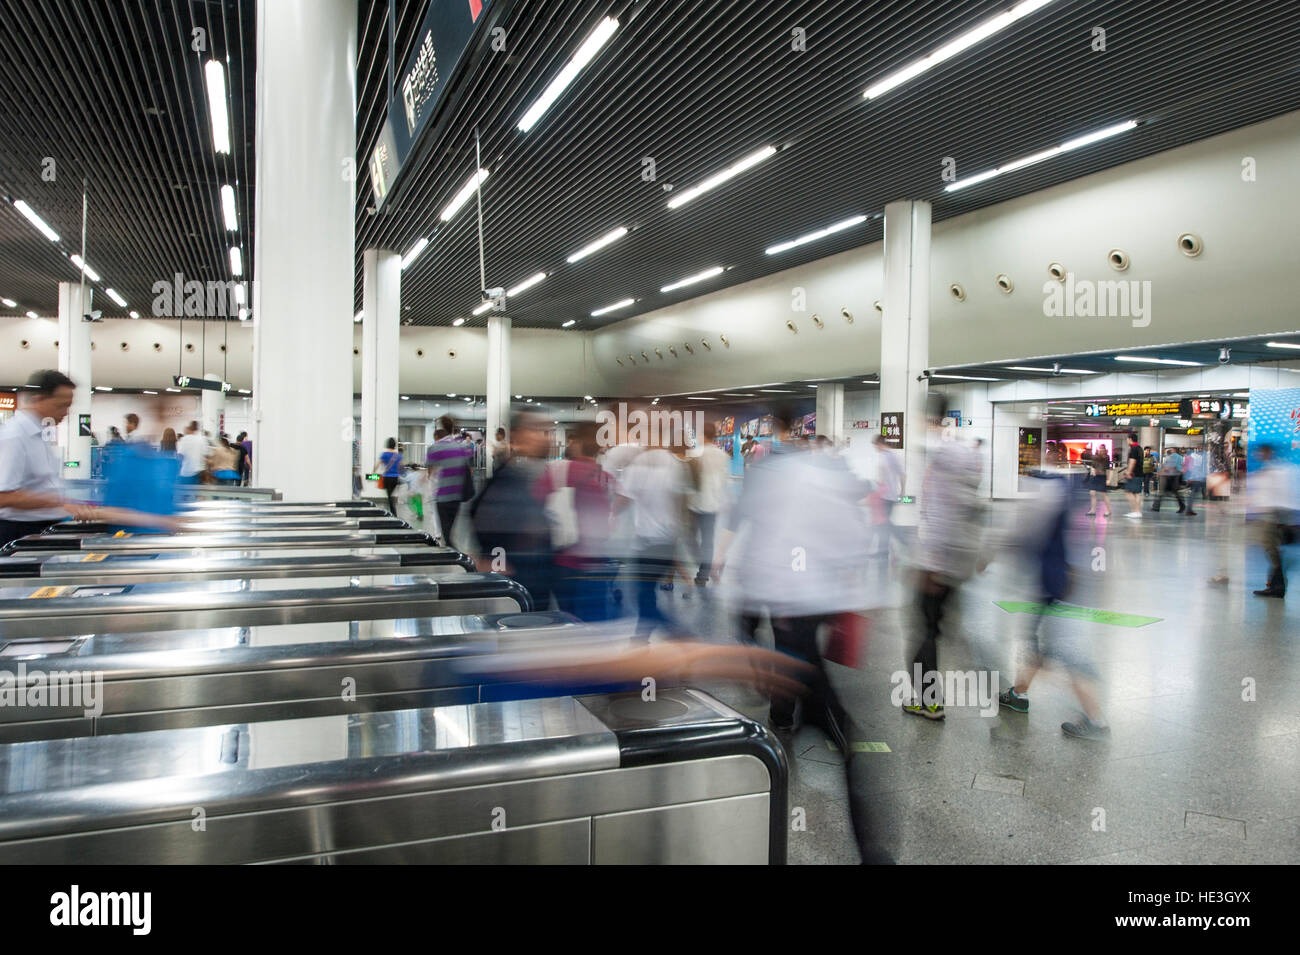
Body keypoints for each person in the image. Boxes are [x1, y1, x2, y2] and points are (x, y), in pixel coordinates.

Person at [0, 370, 176, 548]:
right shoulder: (14, 436)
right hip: (19, 533)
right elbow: (3, 497)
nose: (66, 412)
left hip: (44, 526)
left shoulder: (39, 434)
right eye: (61, 405)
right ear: (39, 399)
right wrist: (56, 502)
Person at [996, 468, 1110, 739]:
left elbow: (1022, 538)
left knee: (1069, 655)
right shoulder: (1067, 500)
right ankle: (1018, 694)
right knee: (1037, 643)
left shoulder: (1047, 503)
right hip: (1057, 587)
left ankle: (1096, 722)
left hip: (1058, 590)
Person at [904, 432, 985, 719]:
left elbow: (940, 521)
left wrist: (934, 566)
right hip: (958, 567)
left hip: (938, 568)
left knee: (924, 634)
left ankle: (930, 702)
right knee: (934, 631)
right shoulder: (967, 472)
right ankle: (931, 698)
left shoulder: (942, 471)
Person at [470, 411, 554, 609]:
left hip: (536, 570)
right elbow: (482, 514)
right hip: (520, 574)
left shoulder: (537, 469)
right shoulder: (511, 471)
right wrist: (495, 558)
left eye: (546, 431)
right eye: (537, 430)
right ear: (519, 434)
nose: (544, 437)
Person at [535, 421, 614, 620]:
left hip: (564, 560)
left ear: (575, 442)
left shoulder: (556, 471)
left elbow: (536, 503)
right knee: (595, 623)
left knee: (567, 619)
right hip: (597, 562)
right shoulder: (606, 478)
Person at [617, 424, 689, 639]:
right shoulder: (676, 464)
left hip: (646, 542)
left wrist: (608, 516)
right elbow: (681, 503)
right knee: (646, 595)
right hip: (667, 541)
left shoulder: (638, 465)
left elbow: (622, 500)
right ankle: (641, 638)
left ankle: (678, 634)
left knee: (644, 595)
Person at [1248, 444, 1297, 599]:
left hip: (1275, 515)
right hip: (1272, 515)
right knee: (1271, 548)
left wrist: (1284, 519)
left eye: (1262, 452)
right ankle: (1275, 583)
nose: (1259, 455)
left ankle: (1278, 585)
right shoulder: (1269, 470)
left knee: (1271, 548)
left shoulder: (1278, 471)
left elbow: (1283, 495)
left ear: (1269, 452)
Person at [686, 421, 730, 588]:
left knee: (690, 539)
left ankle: (704, 569)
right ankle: (704, 574)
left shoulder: (694, 454)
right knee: (708, 540)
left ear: (703, 436)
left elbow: (689, 481)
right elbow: (724, 481)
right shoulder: (723, 456)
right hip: (713, 504)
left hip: (695, 504)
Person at [426, 415, 474, 545]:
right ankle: (452, 551)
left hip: (442, 495)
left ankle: (453, 553)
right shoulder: (462, 447)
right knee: (450, 529)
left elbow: (430, 473)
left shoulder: (434, 448)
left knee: (445, 531)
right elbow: (469, 470)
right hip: (457, 494)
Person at [1153, 445, 1186, 513]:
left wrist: (1161, 472)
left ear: (1174, 450)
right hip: (1174, 476)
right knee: (1175, 492)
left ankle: (1156, 506)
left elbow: (1170, 466)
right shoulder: (1178, 457)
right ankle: (1182, 505)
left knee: (1162, 491)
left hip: (1169, 476)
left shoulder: (1174, 457)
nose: (1170, 450)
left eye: (1171, 449)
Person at [375, 437, 403, 515]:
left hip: (387, 478)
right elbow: (401, 467)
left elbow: (377, 464)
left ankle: (393, 513)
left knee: (389, 496)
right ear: (395, 445)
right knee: (390, 495)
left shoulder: (384, 454)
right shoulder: (398, 456)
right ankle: (393, 511)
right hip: (395, 478)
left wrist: (373, 472)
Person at [1085, 445, 1111, 518]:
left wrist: (1108, 479)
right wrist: (1092, 471)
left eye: (1102, 448)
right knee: (1092, 492)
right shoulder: (1096, 457)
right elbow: (1093, 465)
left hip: (1102, 476)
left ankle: (1108, 510)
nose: (1100, 450)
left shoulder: (1106, 457)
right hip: (1095, 476)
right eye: (1099, 448)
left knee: (1104, 494)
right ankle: (1092, 510)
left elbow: (1107, 469)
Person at [1122, 433, 1144, 519]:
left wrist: (1128, 472)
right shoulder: (1139, 448)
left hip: (1134, 474)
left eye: (1127, 439)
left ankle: (1136, 511)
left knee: (1128, 492)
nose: (1127, 441)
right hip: (1140, 473)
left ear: (1130, 439)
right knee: (1137, 493)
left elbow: (1132, 461)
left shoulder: (1133, 449)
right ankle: (1136, 511)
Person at [1183, 445, 1206, 516]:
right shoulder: (1193, 456)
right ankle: (1188, 509)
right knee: (1192, 493)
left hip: (1196, 476)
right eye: (1199, 448)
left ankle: (1188, 509)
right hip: (1194, 476)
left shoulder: (1199, 456)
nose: (1199, 450)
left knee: (1193, 492)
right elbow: (1190, 467)